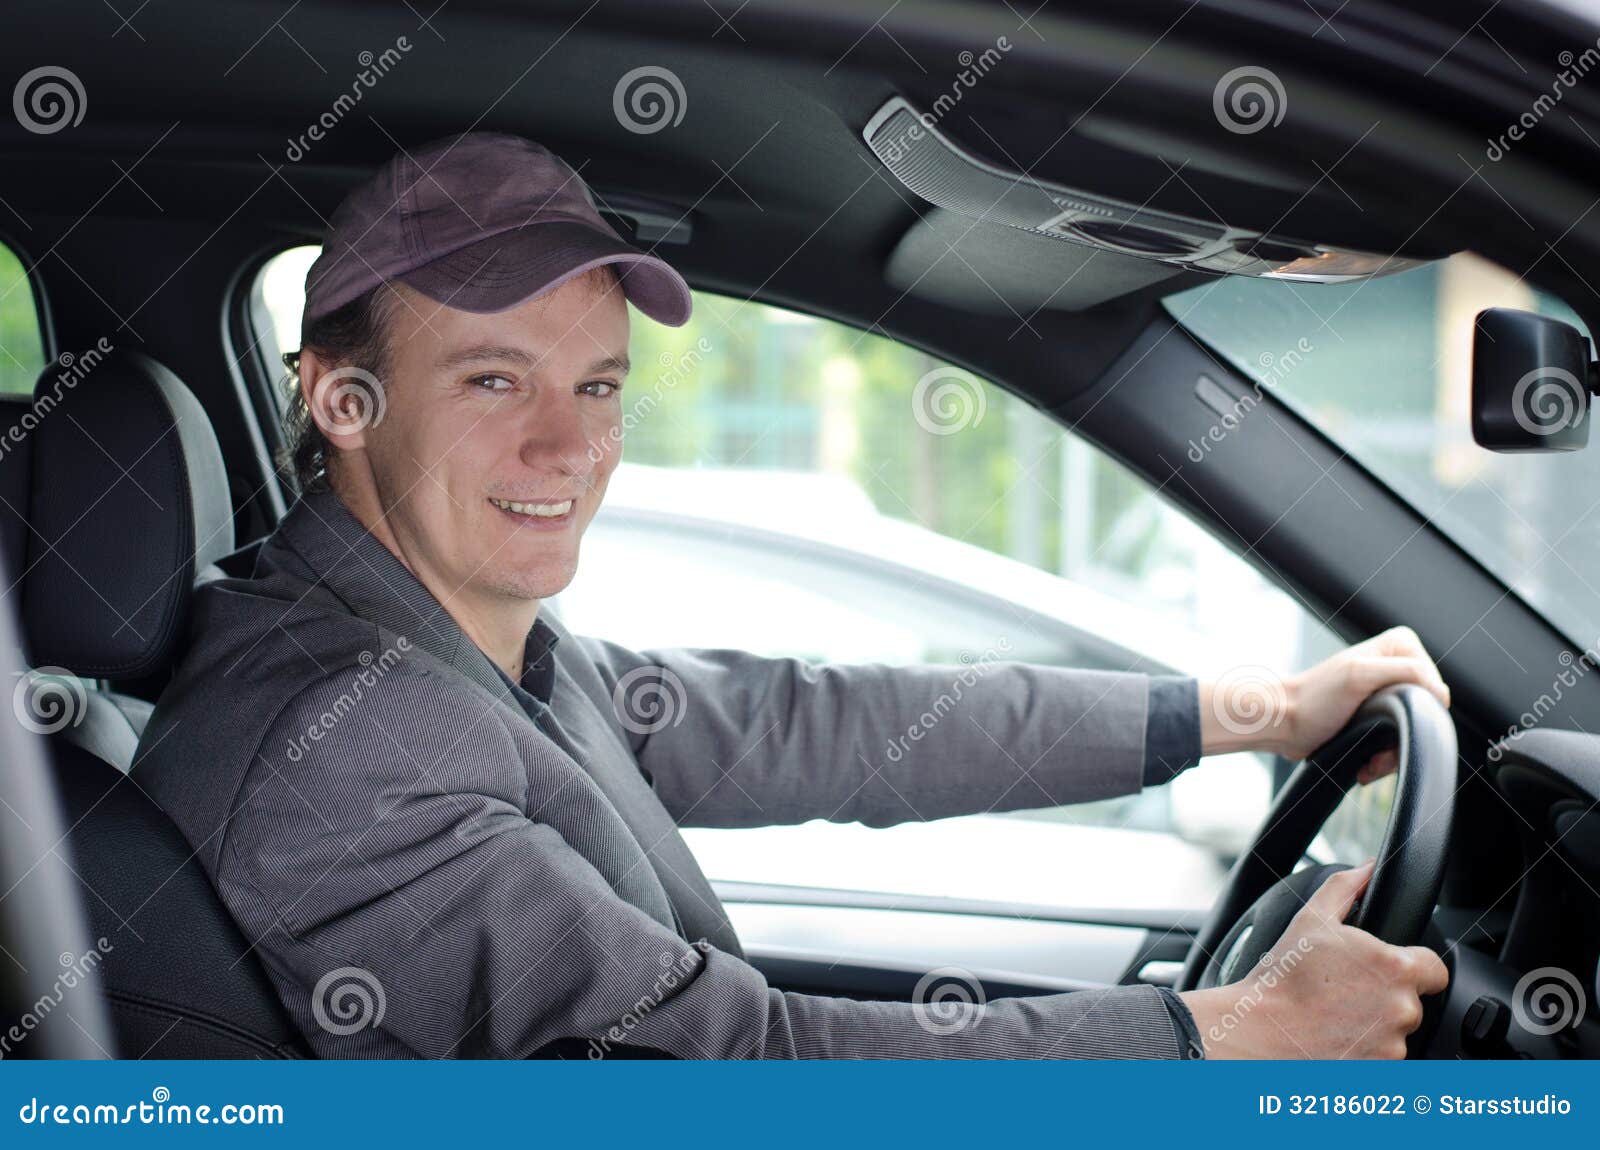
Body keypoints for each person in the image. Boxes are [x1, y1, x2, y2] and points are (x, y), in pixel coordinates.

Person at [135, 132, 1449, 1059]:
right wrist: (1219, 1038)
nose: (566, 448)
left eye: (596, 385)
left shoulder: (439, 640)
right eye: (492, 380)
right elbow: (735, 1067)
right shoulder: (346, 739)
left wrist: (1259, 708)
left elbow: (809, 721)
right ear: (336, 396)